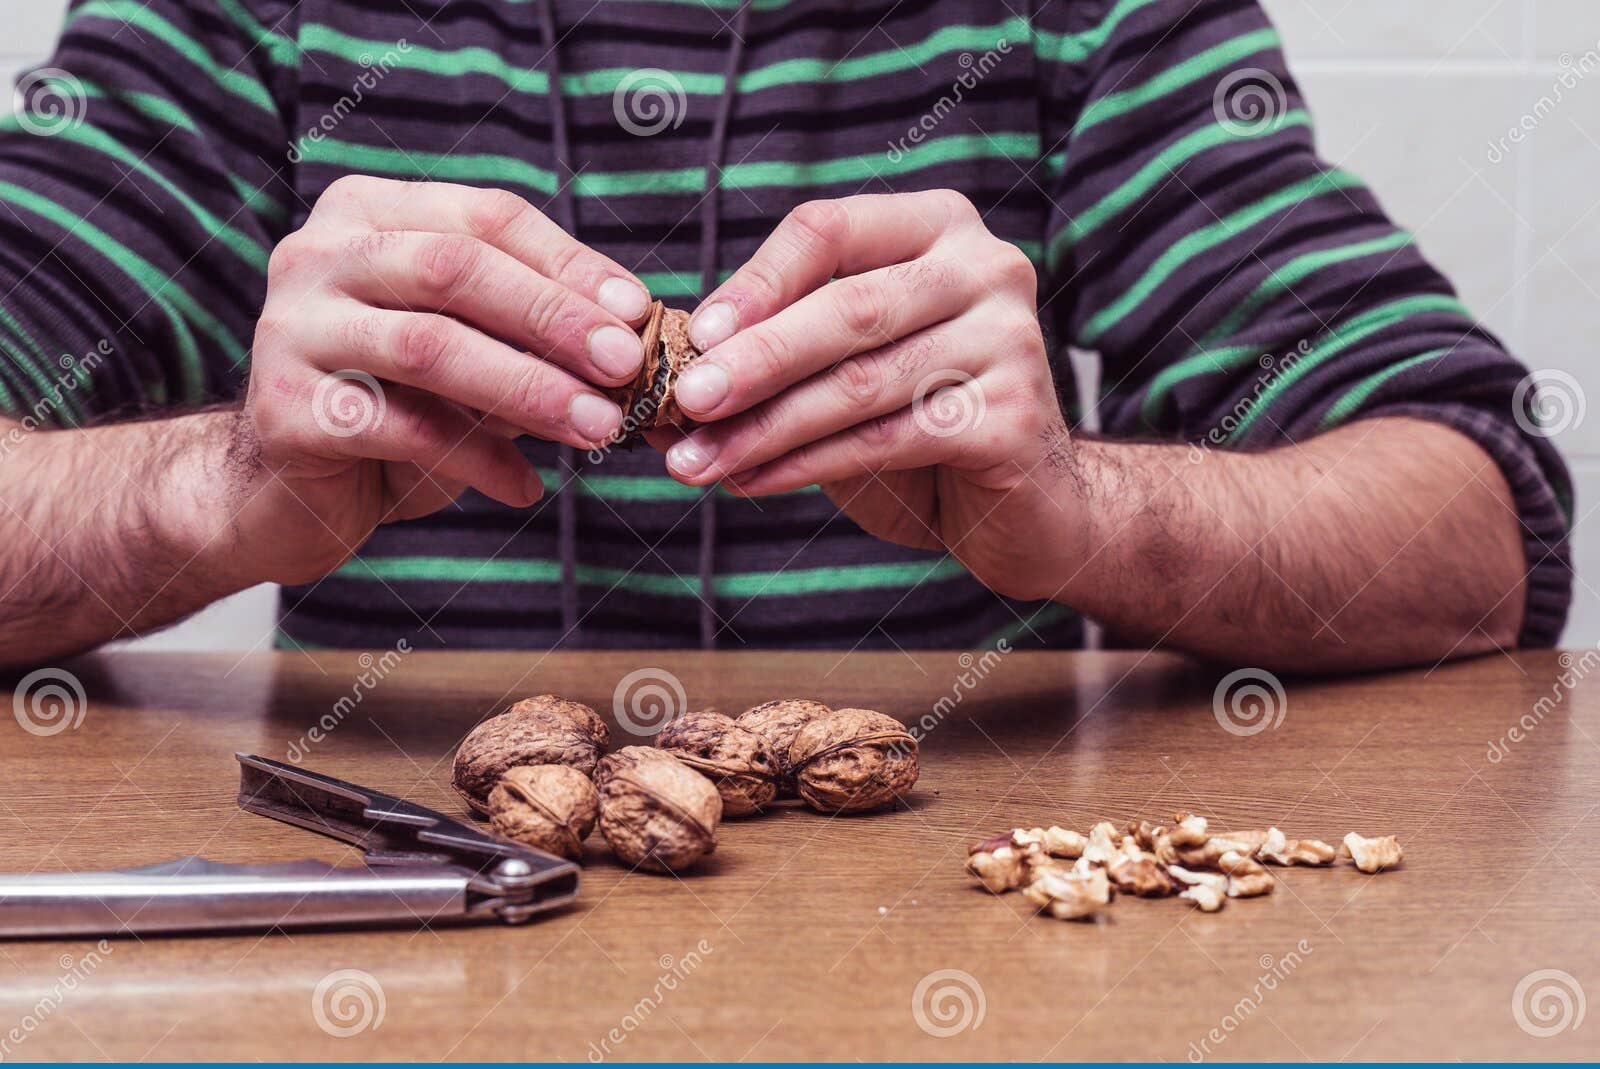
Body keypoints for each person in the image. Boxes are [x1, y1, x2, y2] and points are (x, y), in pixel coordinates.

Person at [0, 0, 1571, 671]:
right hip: (406, 962)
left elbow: (1482, 525)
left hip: (959, 960)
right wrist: (210, 491)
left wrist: (1091, 516)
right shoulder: (250, 20)